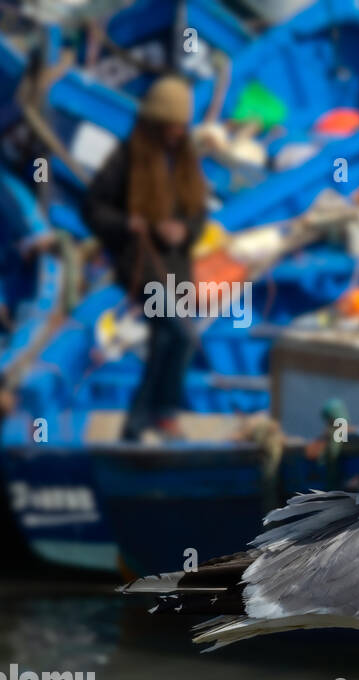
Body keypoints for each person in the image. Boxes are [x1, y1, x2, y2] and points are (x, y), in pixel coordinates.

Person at [84, 74, 206, 442]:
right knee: (180, 335)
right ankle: (158, 415)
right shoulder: (126, 158)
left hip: (177, 269)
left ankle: (142, 423)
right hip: (143, 266)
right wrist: (128, 223)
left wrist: (184, 230)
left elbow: (198, 214)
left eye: (181, 128)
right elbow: (93, 207)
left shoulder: (186, 161)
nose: (176, 134)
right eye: (170, 127)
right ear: (155, 125)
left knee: (166, 342)